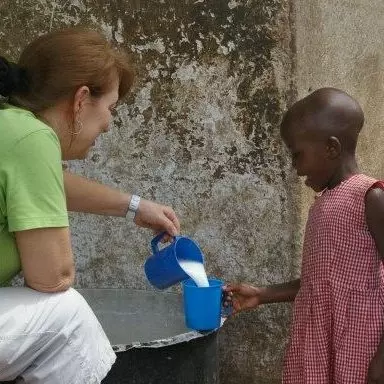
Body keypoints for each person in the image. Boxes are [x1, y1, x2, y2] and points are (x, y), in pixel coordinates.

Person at [0, 27, 180, 383]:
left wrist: (135, 206)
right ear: (80, 100)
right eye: (110, 108)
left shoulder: (12, 126)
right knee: (68, 318)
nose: (109, 125)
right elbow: (54, 278)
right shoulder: (31, 138)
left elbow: (43, 184)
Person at [224, 88, 384, 384]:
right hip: (319, 342)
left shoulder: (370, 197)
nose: (295, 166)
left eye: (297, 154)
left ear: (331, 149)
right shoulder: (322, 204)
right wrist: (261, 294)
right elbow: (319, 284)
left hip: (361, 342)